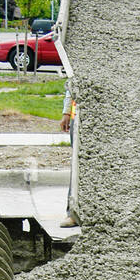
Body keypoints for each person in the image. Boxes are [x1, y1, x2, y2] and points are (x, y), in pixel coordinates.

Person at [60, 82, 80, 228]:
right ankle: (73, 213)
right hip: (79, 117)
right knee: (78, 165)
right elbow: (71, 85)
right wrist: (67, 112)